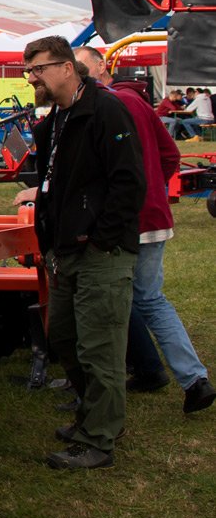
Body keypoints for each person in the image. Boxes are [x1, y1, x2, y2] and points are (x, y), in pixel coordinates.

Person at [14, 37, 145, 470]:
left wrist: (101, 237)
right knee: (65, 340)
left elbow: (129, 181)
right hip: (67, 248)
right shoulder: (57, 120)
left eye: (39, 70)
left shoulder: (105, 110)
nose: (33, 78)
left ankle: (99, 439)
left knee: (99, 348)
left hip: (101, 251)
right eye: (28, 71)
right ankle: (93, 418)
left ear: (67, 68)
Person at [74, 48, 216, 413]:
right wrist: (153, 189)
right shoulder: (135, 103)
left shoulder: (105, 106)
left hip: (126, 219)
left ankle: (166, 375)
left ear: (101, 67)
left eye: (79, 66)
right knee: (145, 297)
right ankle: (183, 376)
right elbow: (169, 155)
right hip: (151, 215)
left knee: (125, 297)